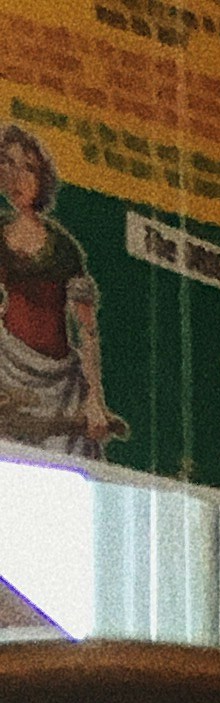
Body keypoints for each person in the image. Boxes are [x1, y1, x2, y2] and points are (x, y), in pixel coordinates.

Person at [0, 128, 121, 459]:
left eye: (28, 167)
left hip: (59, 382)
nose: (16, 176)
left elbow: (87, 329)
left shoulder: (64, 248)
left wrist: (94, 399)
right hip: (6, 368)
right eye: (8, 164)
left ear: (42, 176)